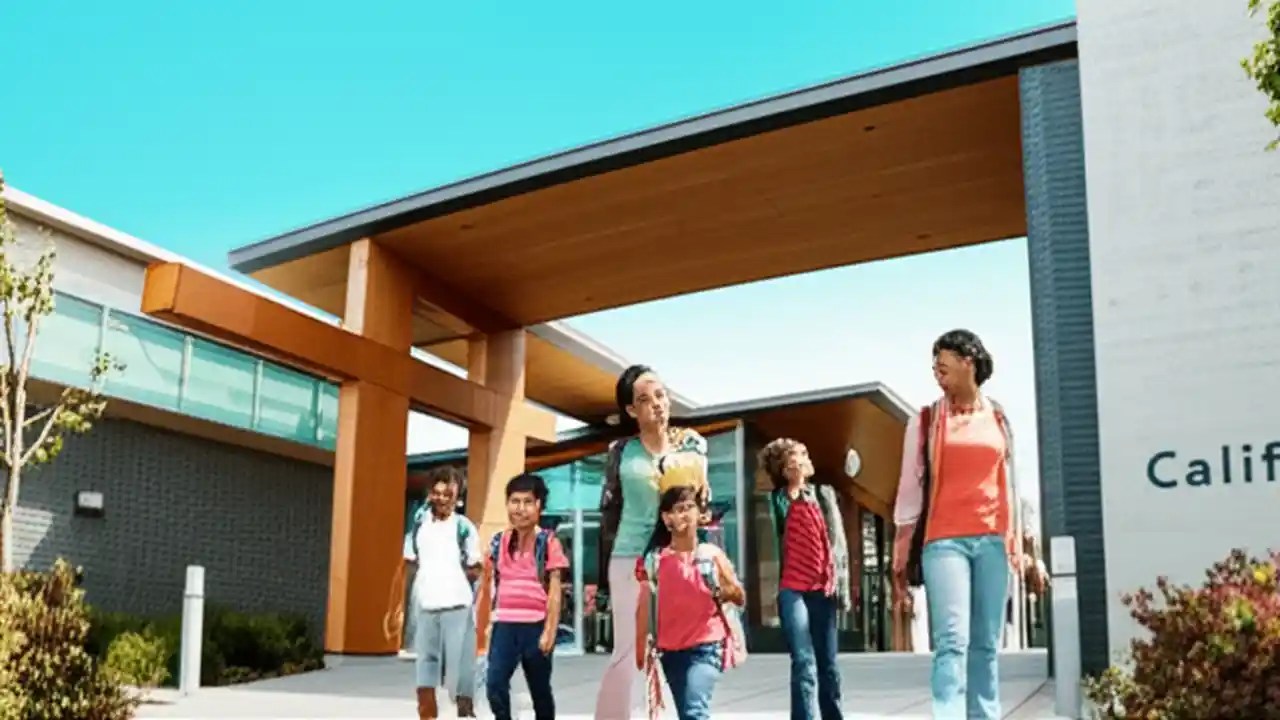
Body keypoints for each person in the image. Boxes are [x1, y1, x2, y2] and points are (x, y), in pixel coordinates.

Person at [891, 329, 1023, 720]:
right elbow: (908, 489)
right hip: (943, 541)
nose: (936, 369)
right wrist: (900, 554)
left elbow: (1008, 484)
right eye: (933, 364)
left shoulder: (998, 416)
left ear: (969, 361)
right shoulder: (926, 420)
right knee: (952, 642)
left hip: (992, 540)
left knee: (985, 643)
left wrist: (1016, 544)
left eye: (942, 360)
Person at [595, 365, 710, 720]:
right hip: (629, 558)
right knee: (627, 653)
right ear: (632, 411)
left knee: (679, 648)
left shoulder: (691, 446)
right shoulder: (622, 451)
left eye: (660, 395)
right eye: (644, 400)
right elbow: (609, 513)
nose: (656, 405)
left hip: (673, 561)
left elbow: (701, 503)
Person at [758, 438, 854, 720]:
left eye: (804, 453)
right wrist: (794, 484)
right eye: (798, 456)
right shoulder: (778, 500)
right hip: (792, 589)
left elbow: (838, 545)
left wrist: (843, 588)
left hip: (823, 587)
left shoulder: (825, 495)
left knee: (828, 664)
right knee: (803, 661)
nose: (804, 459)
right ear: (785, 468)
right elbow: (782, 520)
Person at [635, 485, 745, 720]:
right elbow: (644, 606)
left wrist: (726, 590)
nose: (685, 514)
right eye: (678, 509)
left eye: (690, 508)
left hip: (707, 647)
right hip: (670, 651)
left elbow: (739, 596)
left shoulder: (711, 555)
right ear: (667, 518)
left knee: (695, 710)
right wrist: (640, 647)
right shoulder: (655, 561)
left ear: (700, 515)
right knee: (688, 714)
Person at [477, 473, 568, 720]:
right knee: (494, 684)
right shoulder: (498, 542)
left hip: (535, 627)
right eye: (514, 502)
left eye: (528, 502)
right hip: (504, 626)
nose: (520, 509)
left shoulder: (548, 542)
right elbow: (487, 587)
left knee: (540, 692)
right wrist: (483, 627)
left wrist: (550, 630)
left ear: (539, 505)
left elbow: (555, 590)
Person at [402, 466, 481, 720]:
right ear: (430, 493)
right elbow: (409, 559)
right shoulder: (419, 524)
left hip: (457, 604)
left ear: (458, 496)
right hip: (426, 603)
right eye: (437, 493)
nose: (442, 499)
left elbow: (476, 565)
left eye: (448, 494)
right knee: (425, 663)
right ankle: (426, 713)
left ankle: (464, 710)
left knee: (460, 665)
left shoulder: (464, 527)